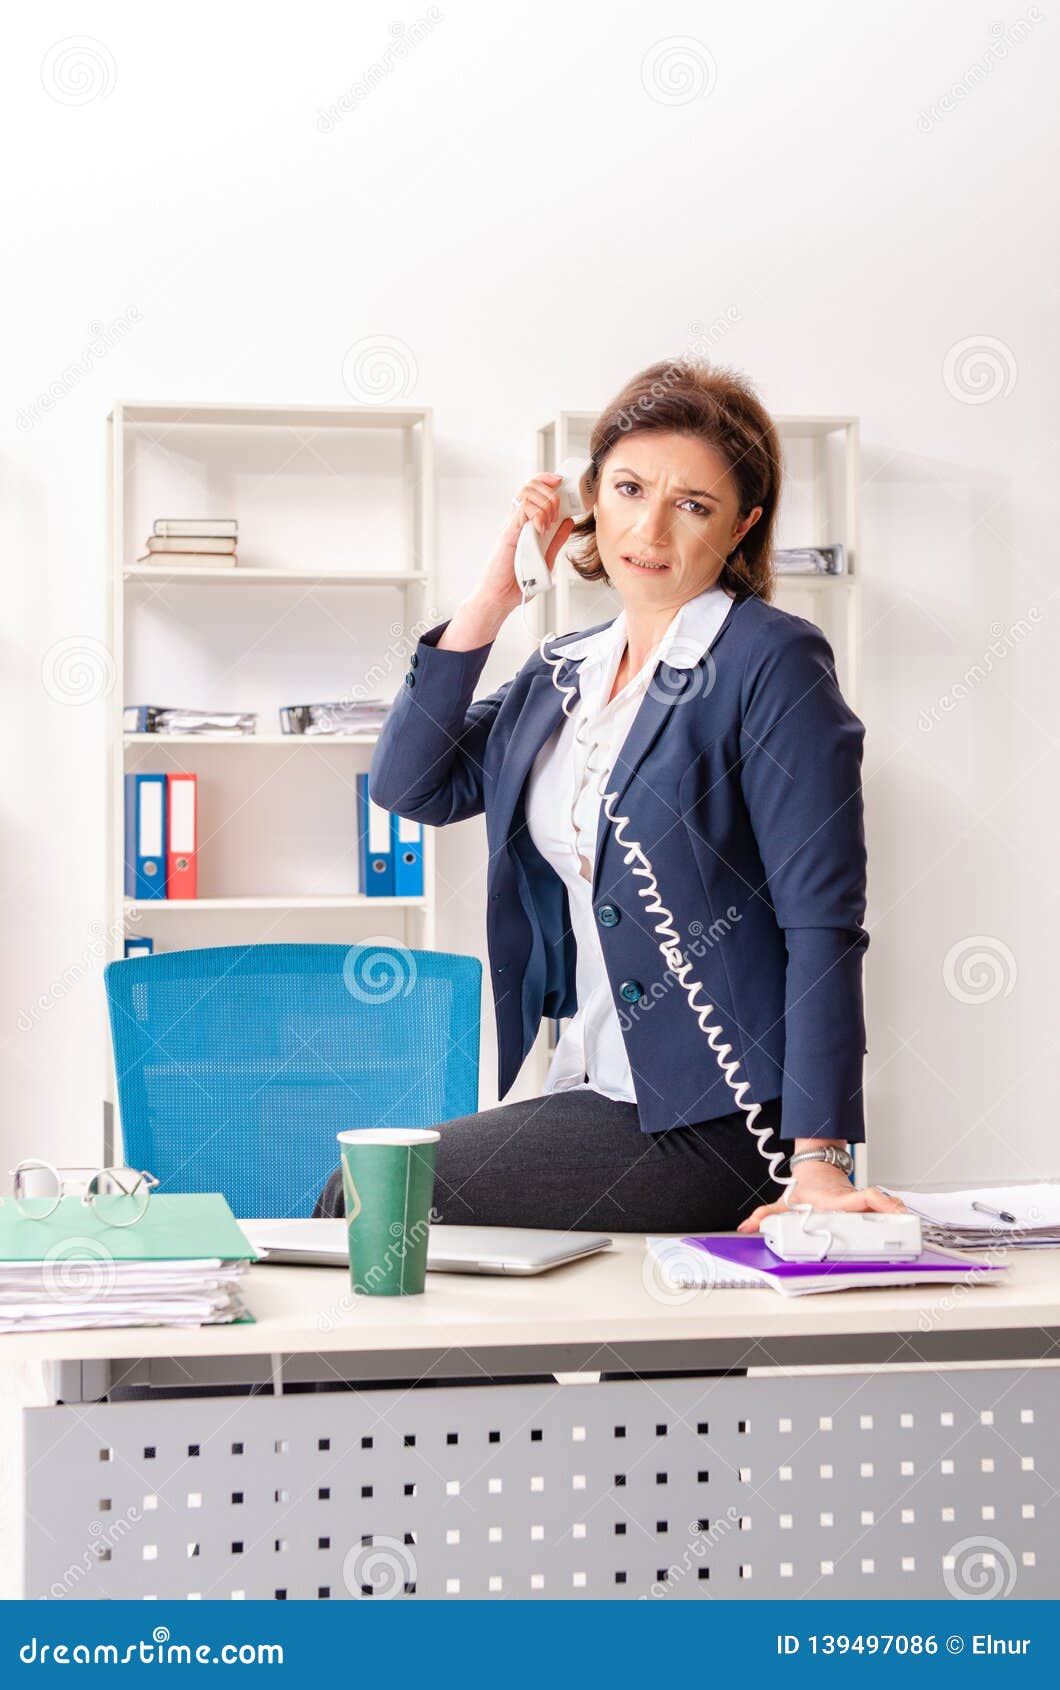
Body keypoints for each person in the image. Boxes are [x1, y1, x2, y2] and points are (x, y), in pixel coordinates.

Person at [314, 359, 903, 1236]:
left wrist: (818, 1161)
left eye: (693, 506)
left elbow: (823, 921)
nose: (651, 528)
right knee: (500, 1294)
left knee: (371, 1195)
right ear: (592, 498)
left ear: (740, 527)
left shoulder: (770, 661)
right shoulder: (565, 672)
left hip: (719, 1119)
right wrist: (494, 597)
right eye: (628, 489)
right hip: (590, 1086)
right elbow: (413, 783)